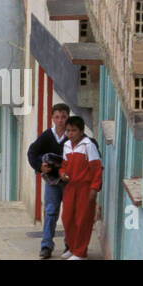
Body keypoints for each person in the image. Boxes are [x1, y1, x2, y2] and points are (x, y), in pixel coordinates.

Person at [27, 103, 70, 259]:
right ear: (52, 118)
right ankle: (46, 246)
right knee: (51, 212)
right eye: (57, 117)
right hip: (52, 182)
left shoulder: (72, 135)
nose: (60, 121)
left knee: (69, 213)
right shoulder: (47, 136)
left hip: (69, 182)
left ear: (68, 117)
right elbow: (32, 152)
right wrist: (40, 166)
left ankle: (69, 245)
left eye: (63, 117)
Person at [59, 115, 103, 260]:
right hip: (70, 187)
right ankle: (72, 248)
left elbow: (96, 168)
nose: (70, 134)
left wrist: (94, 188)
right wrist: (63, 173)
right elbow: (64, 165)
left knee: (82, 220)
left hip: (85, 187)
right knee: (67, 218)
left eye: (73, 131)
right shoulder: (66, 145)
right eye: (68, 131)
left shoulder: (88, 145)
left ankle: (80, 252)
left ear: (81, 131)